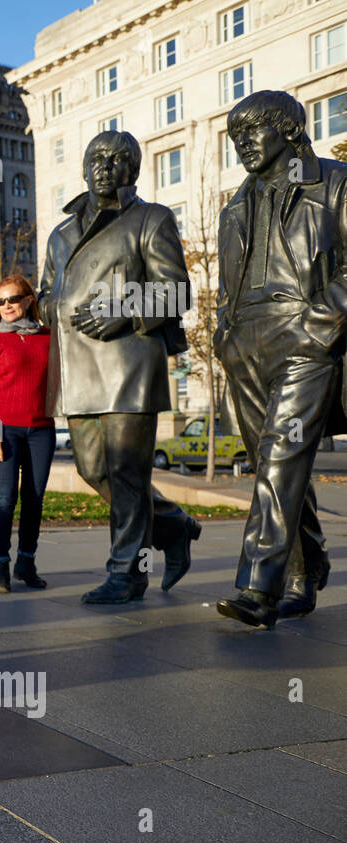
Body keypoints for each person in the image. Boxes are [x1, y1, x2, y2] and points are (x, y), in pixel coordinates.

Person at [37, 129, 201, 604]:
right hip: (78, 368)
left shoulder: (150, 219)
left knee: (127, 471)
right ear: (83, 167)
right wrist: (51, 308)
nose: (104, 166)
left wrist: (124, 310)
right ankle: (172, 527)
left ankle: (126, 573)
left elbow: (177, 289)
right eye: (95, 158)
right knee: (93, 469)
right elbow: (49, 291)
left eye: (116, 159)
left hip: (129, 365)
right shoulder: (61, 233)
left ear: (132, 169)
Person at [213, 91, 347, 628]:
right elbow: (228, 286)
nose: (242, 143)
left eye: (252, 131)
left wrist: (320, 324)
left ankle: (257, 588)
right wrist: (225, 333)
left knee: (278, 458)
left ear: (289, 129)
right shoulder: (234, 205)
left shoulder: (335, 184)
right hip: (245, 342)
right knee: (274, 464)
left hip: (307, 334)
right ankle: (306, 565)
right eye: (235, 135)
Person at [0, 274, 55, 594]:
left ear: (28, 299)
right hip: (5, 432)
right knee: (4, 499)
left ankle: (26, 561)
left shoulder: (48, 337)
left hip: (41, 430)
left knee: (34, 499)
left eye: (13, 298)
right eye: (0, 301)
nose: (6, 305)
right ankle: (0, 567)